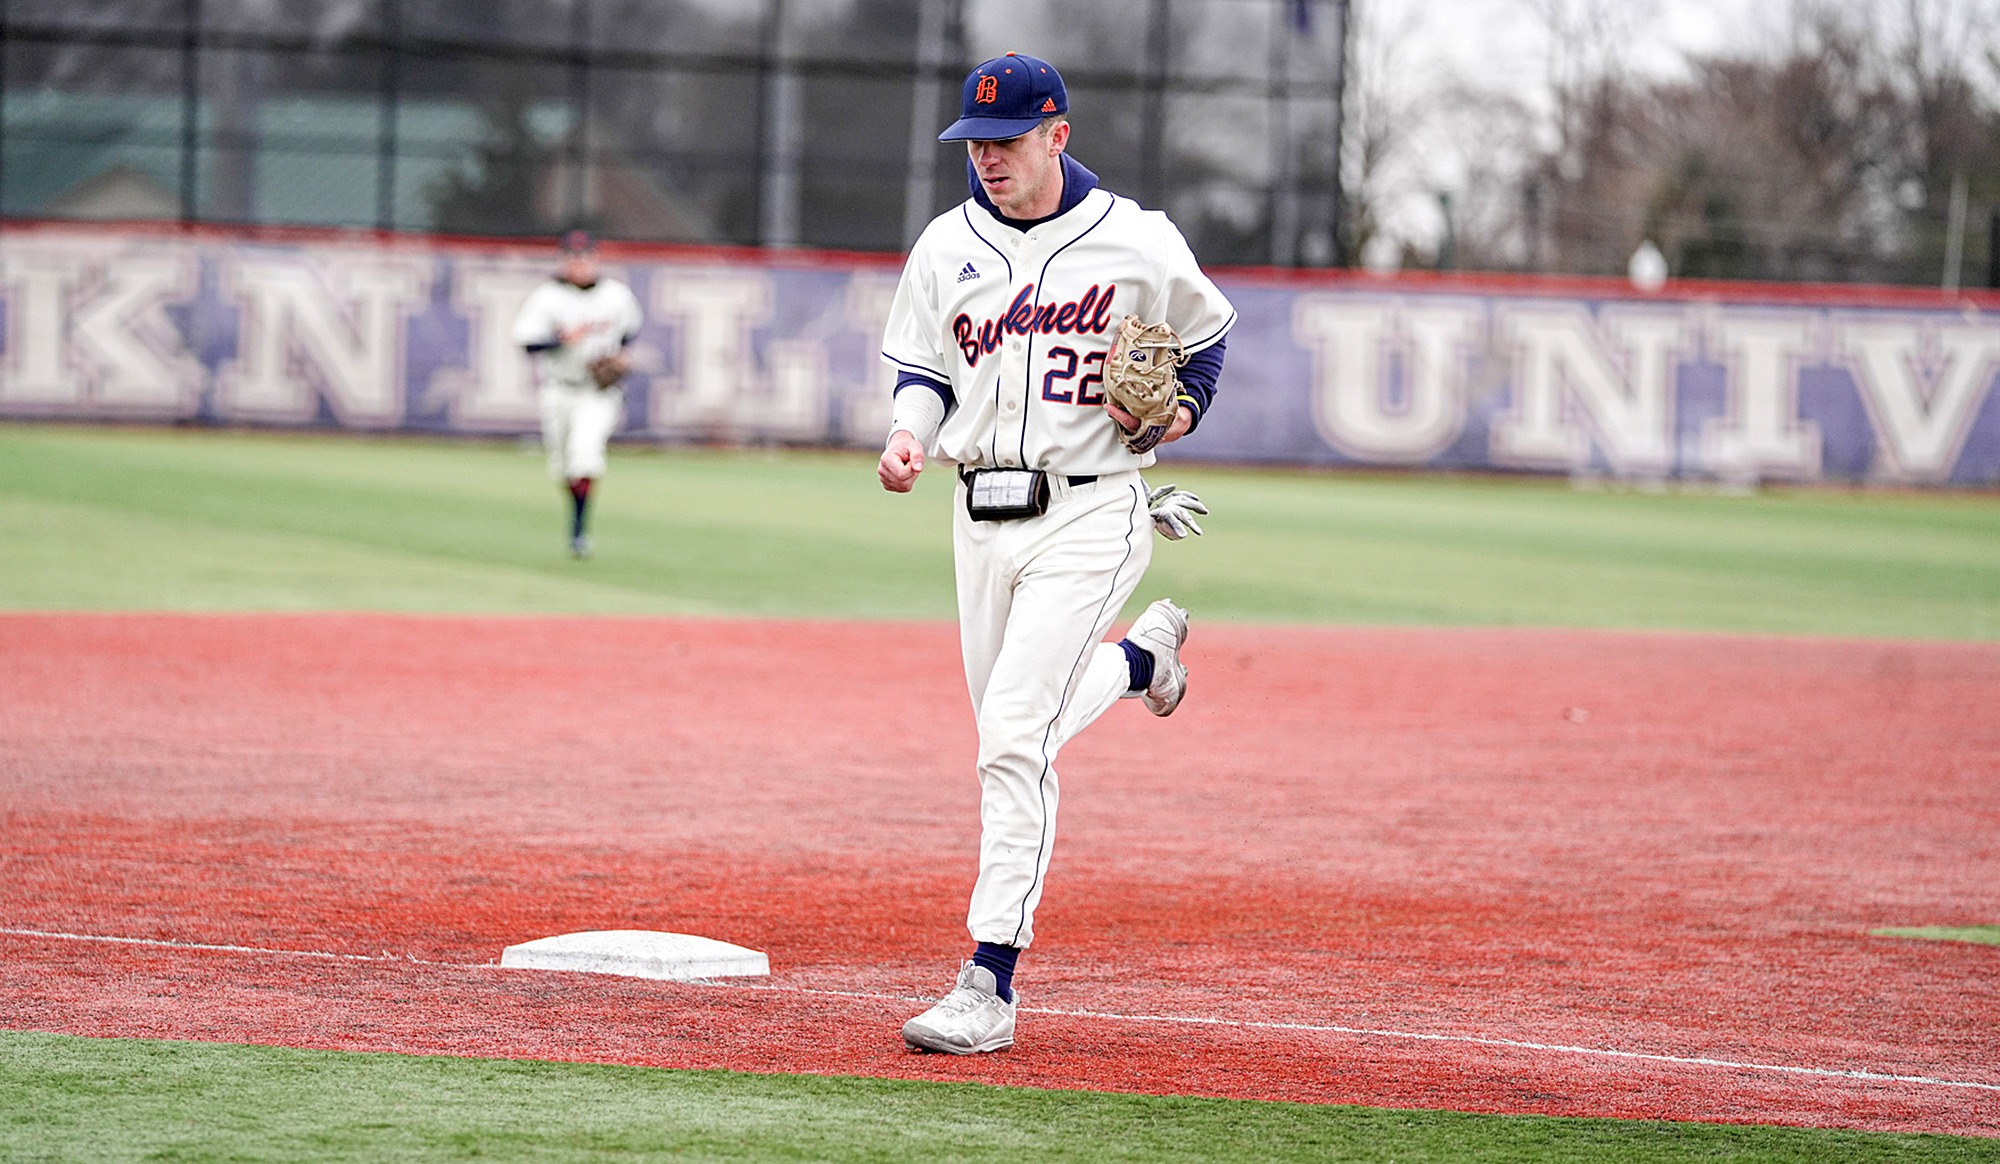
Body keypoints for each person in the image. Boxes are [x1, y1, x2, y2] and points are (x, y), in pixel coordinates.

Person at [878, 52, 1234, 1054]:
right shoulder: (946, 245)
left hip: (1093, 511)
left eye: (1004, 141)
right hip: (975, 514)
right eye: (973, 143)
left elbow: (1206, 335)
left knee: (1008, 739)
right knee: (1010, 728)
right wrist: (908, 433)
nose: (985, 159)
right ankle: (1138, 663)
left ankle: (987, 980)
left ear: (1057, 135)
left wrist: (1185, 408)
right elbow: (923, 370)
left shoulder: (1133, 239)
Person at [512, 230, 644, 559]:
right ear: (563, 260)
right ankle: (577, 518)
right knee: (562, 467)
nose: (579, 262)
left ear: (596, 259)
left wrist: (622, 355)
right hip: (559, 388)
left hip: (598, 391)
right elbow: (527, 342)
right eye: (572, 256)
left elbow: (630, 330)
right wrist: (560, 340)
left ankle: (578, 532)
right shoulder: (547, 297)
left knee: (585, 454)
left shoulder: (617, 295)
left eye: (585, 256)